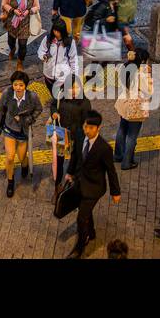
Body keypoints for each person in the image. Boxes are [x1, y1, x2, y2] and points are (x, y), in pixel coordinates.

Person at [62, 110, 121, 258]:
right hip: (80, 183)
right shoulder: (81, 136)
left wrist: (115, 192)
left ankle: (80, 246)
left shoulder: (104, 148)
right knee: (85, 211)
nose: (87, 130)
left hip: (94, 188)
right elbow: (75, 155)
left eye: (91, 128)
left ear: (98, 128)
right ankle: (92, 232)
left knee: (81, 218)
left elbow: (111, 171)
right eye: (85, 126)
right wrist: (69, 172)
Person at [0, 70, 43, 197]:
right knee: (9, 157)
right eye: (15, 85)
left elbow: (39, 109)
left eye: (21, 85)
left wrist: (29, 119)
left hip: (23, 132)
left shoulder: (32, 97)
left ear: (25, 85)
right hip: (9, 129)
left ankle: (25, 165)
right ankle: (10, 182)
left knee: (21, 157)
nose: (18, 88)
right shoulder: (7, 93)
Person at [114, 62, 153, 170]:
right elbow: (149, 91)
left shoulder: (125, 67)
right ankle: (127, 162)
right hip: (136, 108)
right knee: (132, 136)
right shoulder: (141, 74)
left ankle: (118, 155)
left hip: (124, 104)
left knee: (122, 129)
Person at [0, 0, 41, 72]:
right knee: (11, 41)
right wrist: (13, 10)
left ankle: (20, 62)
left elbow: (37, 6)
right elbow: (4, 4)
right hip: (12, 21)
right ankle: (12, 49)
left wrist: (29, 11)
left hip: (25, 23)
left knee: (23, 44)